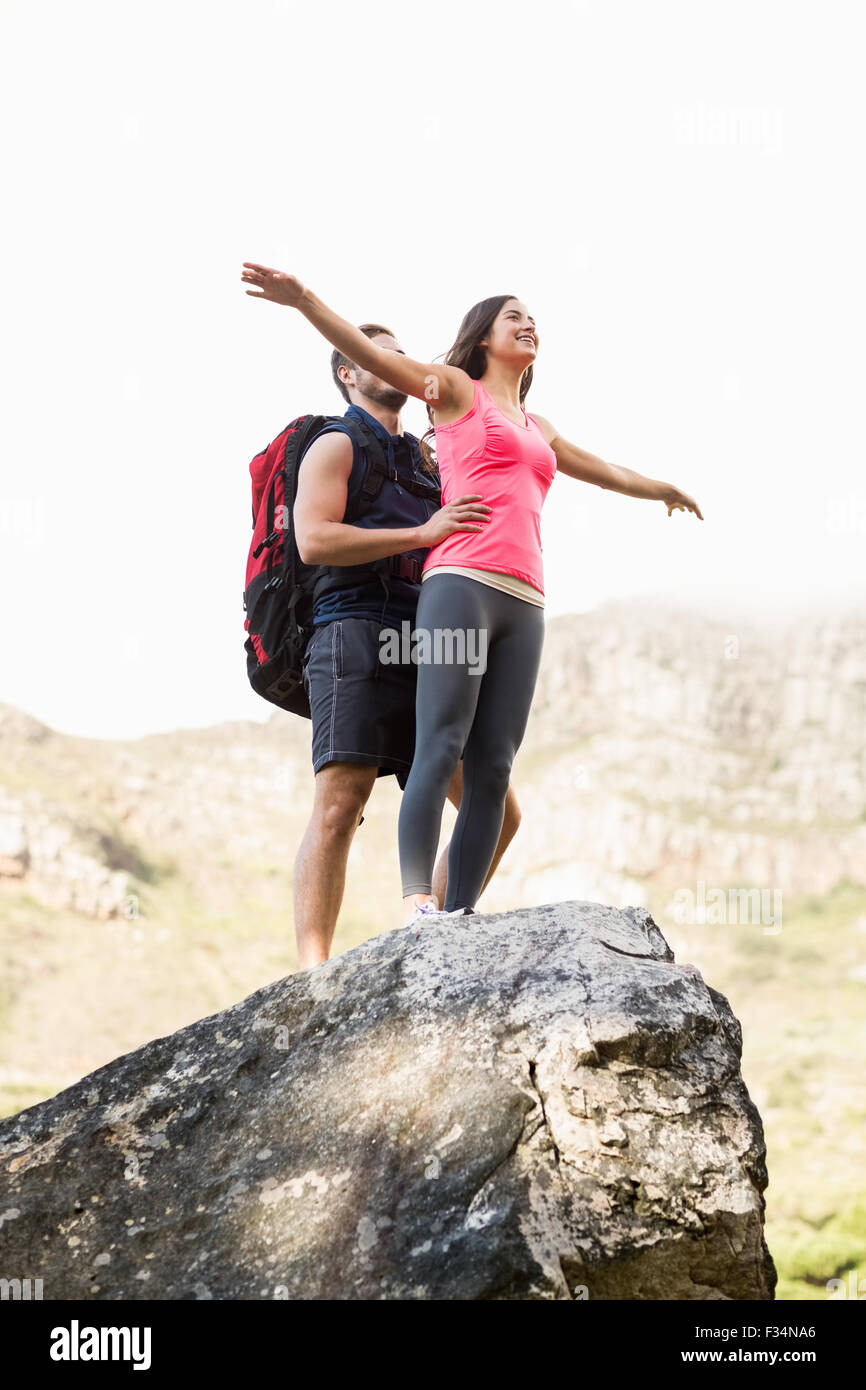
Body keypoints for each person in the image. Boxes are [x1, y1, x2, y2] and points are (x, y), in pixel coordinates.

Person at [240, 263, 703, 927]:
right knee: (440, 741)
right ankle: (417, 905)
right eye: (513, 316)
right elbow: (369, 355)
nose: (527, 323)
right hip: (460, 583)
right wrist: (305, 300)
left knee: (493, 770)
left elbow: (605, 471)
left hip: (527, 600)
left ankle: (455, 916)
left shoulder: (537, 426)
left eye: (531, 317)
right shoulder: (454, 391)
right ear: (483, 336)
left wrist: (661, 488)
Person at [285, 322, 521, 967]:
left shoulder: (428, 456)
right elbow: (314, 541)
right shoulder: (334, 445)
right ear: (348, 372)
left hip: (432, 632)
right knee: (340, 803)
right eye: (378, 353)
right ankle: (314, 975)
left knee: (496, 810)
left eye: (400, 353)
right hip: (353, 627)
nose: (393, 363)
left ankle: (424, 941)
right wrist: (423, 534)